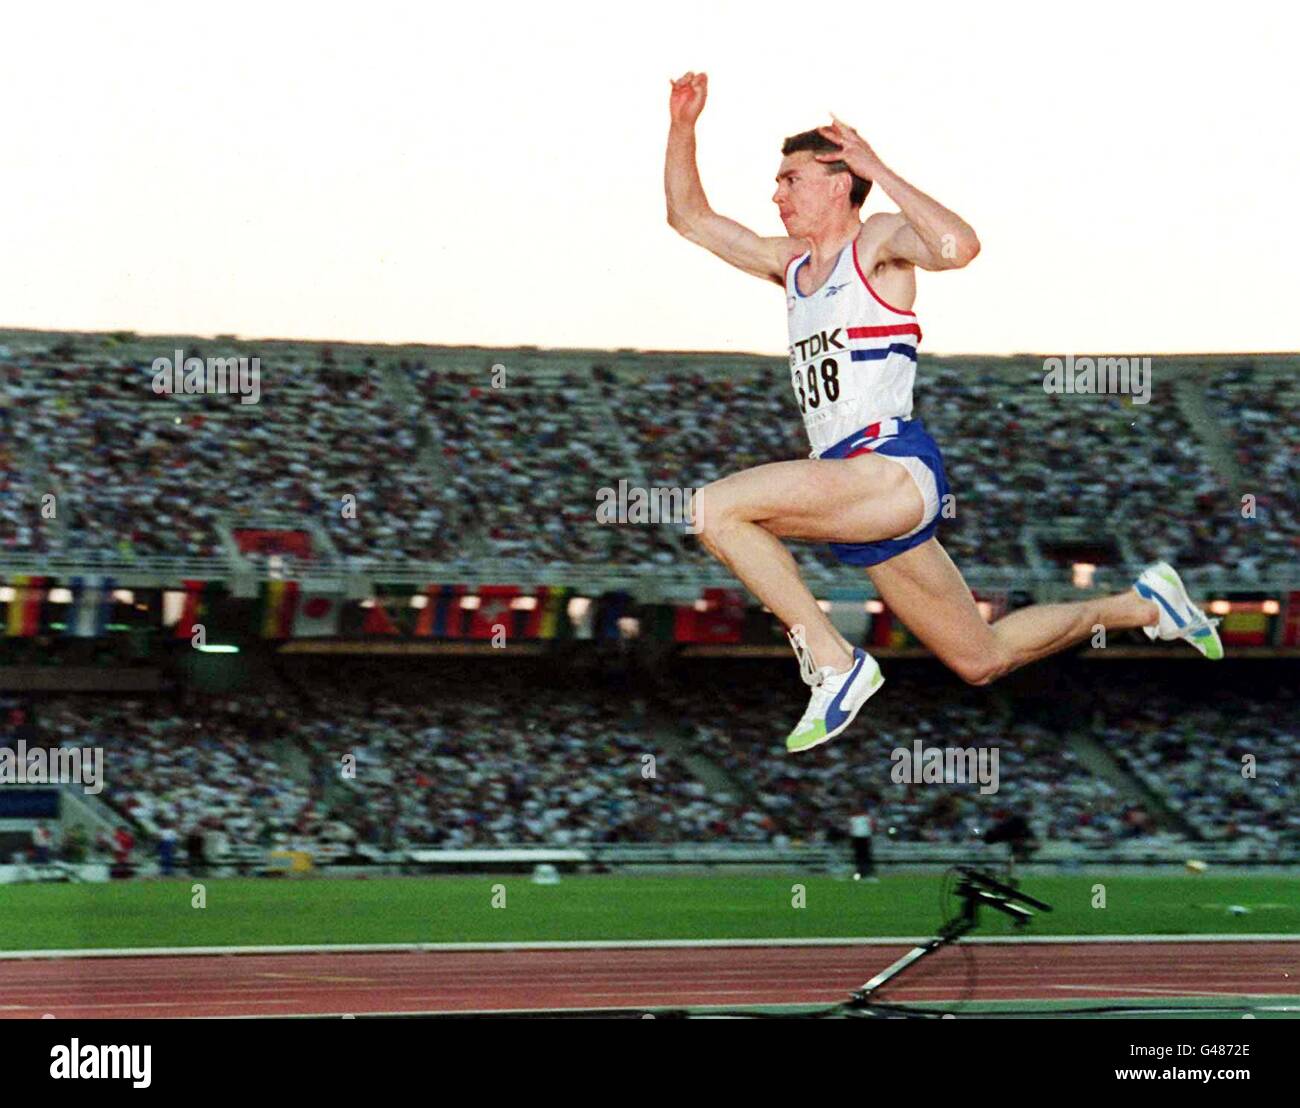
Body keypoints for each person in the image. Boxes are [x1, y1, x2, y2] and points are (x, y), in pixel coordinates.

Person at [663, 71, 1223, 754]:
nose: (775, 193)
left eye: (791, 179)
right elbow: (689, 218)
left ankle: (835, 664)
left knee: (714, 509)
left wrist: (880, 168)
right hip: (852, 492)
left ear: (839, 181)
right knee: (981, 658)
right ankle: (1145, 603)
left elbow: (960, 247)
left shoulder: (878, 244)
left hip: (890, 468)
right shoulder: (790, 265)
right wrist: (683, 126)